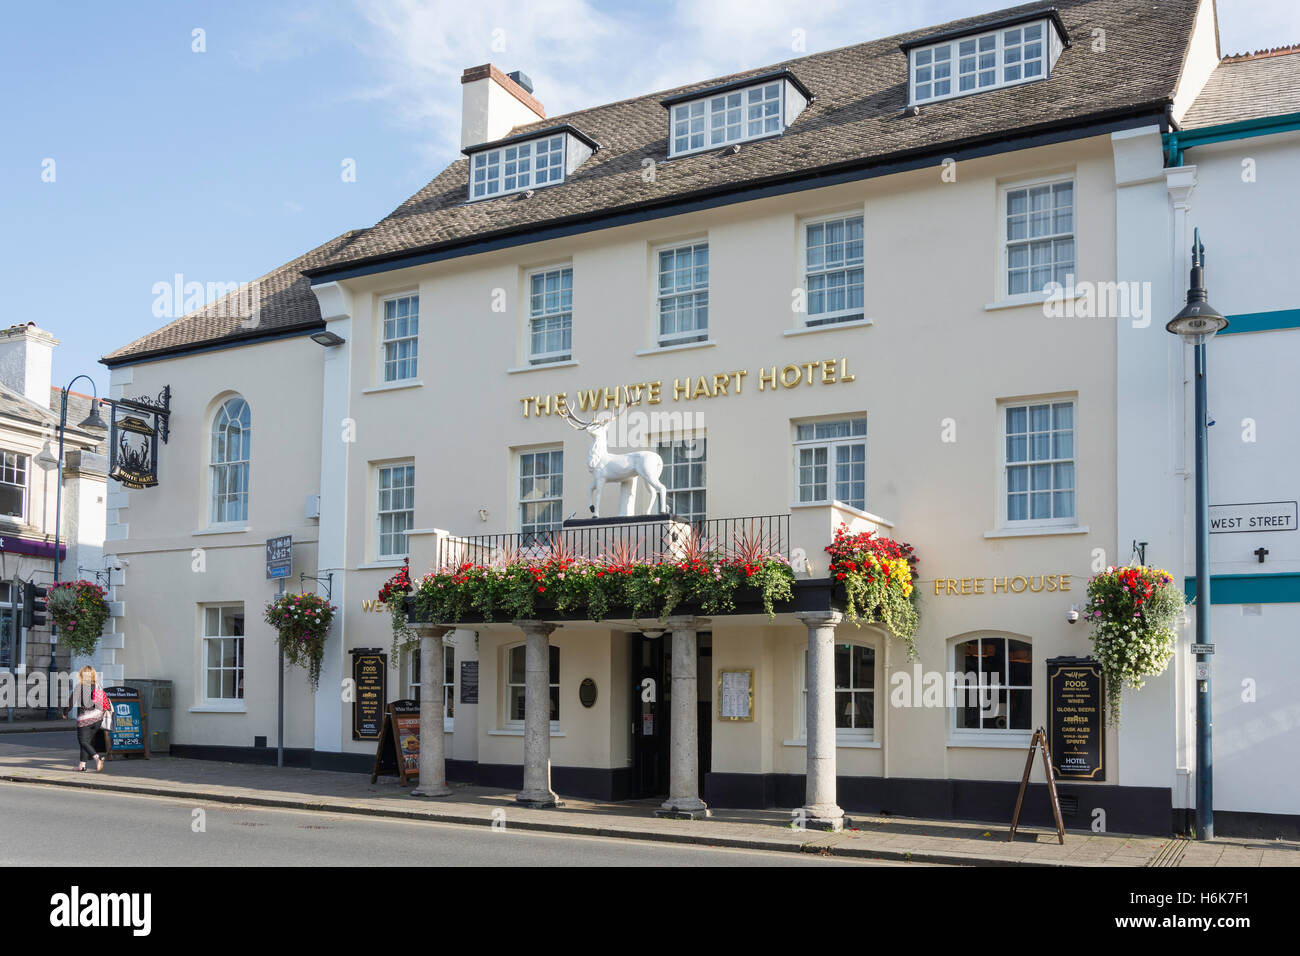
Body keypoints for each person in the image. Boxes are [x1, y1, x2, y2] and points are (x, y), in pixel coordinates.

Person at [63, 665, 110, 772]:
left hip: (85, 719)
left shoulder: (80, 686)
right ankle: (82, 765)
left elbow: (71, 703)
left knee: (83, 741)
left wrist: (64, 712)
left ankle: (97, 758)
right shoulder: (98, 686)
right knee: (86, 742)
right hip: (98, 719)